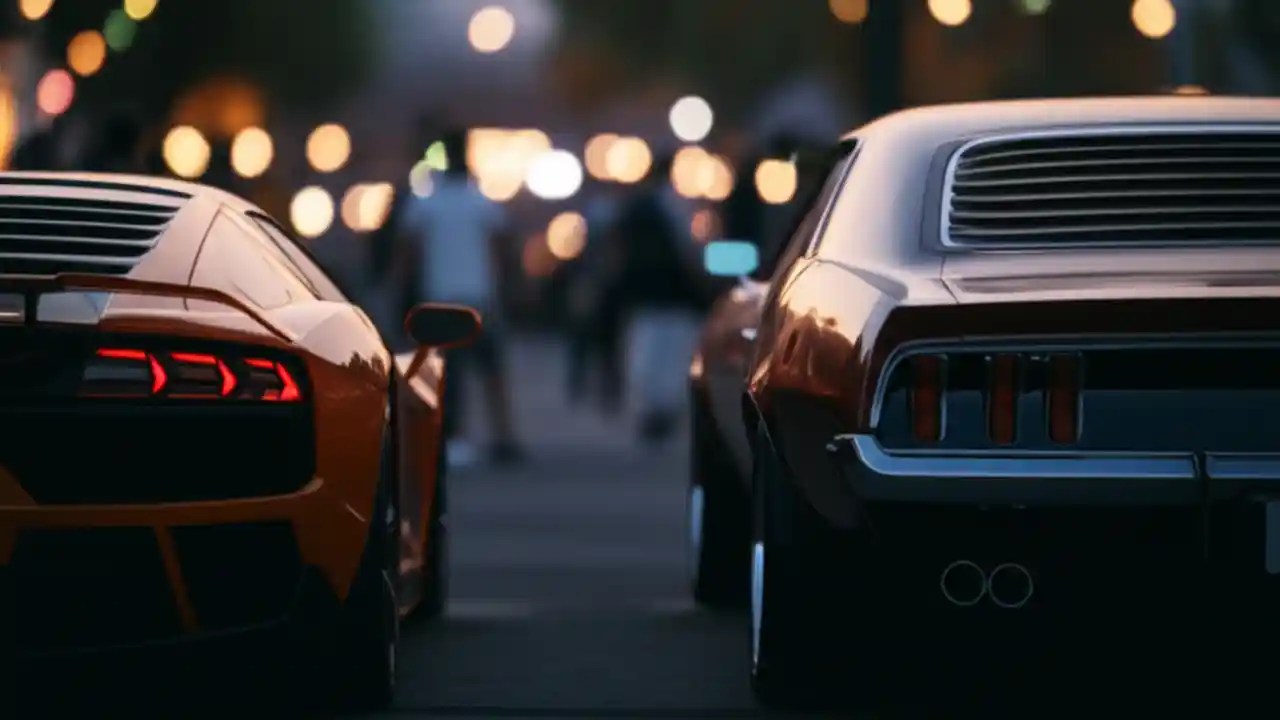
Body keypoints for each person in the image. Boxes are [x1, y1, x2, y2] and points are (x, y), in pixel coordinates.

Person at [398, 126, 524, 465]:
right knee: (492, 368)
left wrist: (403, 292)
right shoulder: (481, 201)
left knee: (446, 374)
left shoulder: (426, 203)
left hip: (439, 296)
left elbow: (409, 253)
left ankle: (450, 437)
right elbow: (501, 247)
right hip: (480, 296)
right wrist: (507, 285)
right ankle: (504, 436)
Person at [607, 153, 712, 443]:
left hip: (644, 291)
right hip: (673, 290)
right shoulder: (675, 204)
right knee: (671, 350)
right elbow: (688, 248)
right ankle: (662, 408)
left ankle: (651, 408)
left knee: (646, 351)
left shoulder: (636, 207)